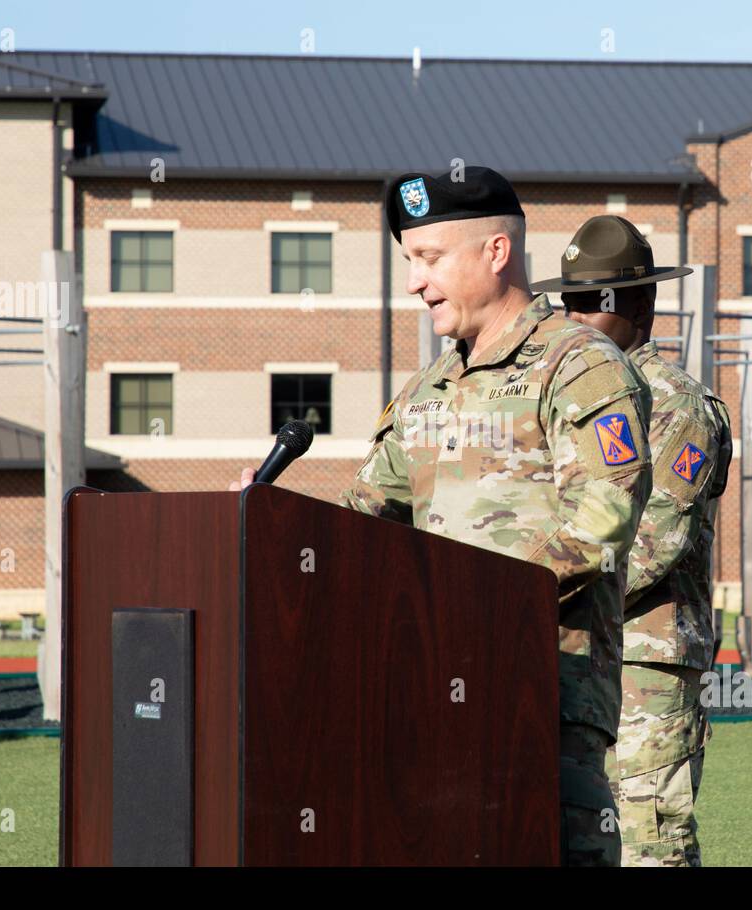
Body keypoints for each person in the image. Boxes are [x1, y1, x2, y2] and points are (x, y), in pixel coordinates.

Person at [232, 168, 652, 866]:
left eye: (430, 259)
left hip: (544, 700)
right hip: (428, 698)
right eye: (408, 262)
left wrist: (459, 607)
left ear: (496, 252)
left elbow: (601, 525)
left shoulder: (578, 368)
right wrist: (276, 521)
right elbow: (365, 521)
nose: (415, 282)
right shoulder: (428, 389)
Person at [531, 215, 732, 866]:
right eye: (570, 301)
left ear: (641, 303)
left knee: (651, 846)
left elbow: (651, 545)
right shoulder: (563, 394)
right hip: (575, 659)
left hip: (646, 661)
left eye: (595, 302)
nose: (577, 317)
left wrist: (528, 592)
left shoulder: (676, 405)